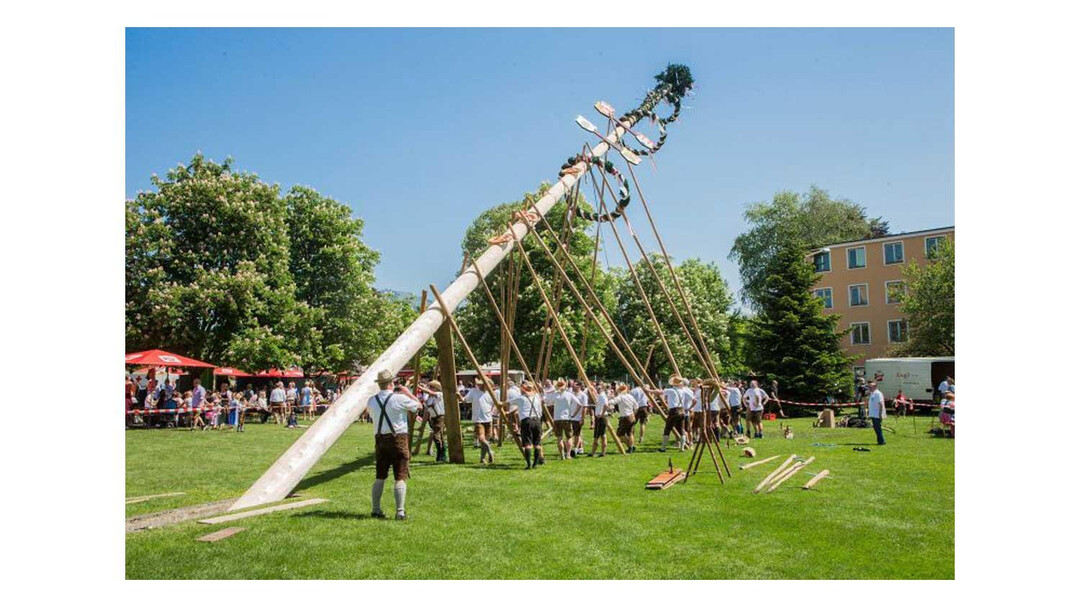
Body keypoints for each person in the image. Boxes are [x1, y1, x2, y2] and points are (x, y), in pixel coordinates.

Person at [367, 369, 422, 520]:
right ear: (392, 383)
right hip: (399, 439)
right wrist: (407, 392)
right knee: (400, 476)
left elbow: (372, 415)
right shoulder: (399, 398)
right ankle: (400, 512)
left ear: (379, 384)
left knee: (380, 476)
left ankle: (376, 509)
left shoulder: (371, 400)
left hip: (380, 440)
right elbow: (419, 406)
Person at [508, 381, 545, 469]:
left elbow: (507, 403)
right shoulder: (537, 397)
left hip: (526, 421)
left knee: (527, 443)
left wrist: (500, 404)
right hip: (537, 420)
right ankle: (535, 464)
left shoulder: (520, 398)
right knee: (537, 443)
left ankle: (529, 465)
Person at [464, 381, 496, 464]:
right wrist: (459, 396)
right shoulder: (474, 391)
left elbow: (494, 403)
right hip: (478, 419)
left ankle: (482, 459)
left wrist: (492, 411)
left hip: (489, 419)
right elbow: (465, 400)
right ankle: (490, 451)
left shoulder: (491, 392)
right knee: (481, 438)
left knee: (485, 440)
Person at [417, 380, 447, 463]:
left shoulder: (439, 394)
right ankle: (441, 455)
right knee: (439, 436)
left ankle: (441, 454)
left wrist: (421, 388)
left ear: (436, 388)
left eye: (431, 387)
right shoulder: (429, 398)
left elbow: (431, 393)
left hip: (440, 417)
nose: (430, 388)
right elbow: (427, 410)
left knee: (436, 436)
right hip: (433, 418)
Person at [655, 376, 686, 452]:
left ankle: (663, 448)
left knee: (667, 429)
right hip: (682, 410)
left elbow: (659, 392)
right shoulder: (682, 391)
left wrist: (648, 390)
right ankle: (682, 448)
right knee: (682, 429)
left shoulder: (671, 390)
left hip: (674, 411)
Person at [551, 379, 576, 459]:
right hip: (566, 418)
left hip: (557, 418)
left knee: (559, 437)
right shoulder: (569, 394)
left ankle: (562, 455)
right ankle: (568, 454)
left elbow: (546, 401)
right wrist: (574, 413)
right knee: (569, 437)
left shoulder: (555, 395)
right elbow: (579, 403)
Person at [588, 384, 613, 457]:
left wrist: (601, 414)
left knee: (598, 436)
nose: (597, 389)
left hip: (601, 418)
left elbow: (606, 405)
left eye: (599, 388)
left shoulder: (602, 396)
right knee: (602, 435)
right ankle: (600, 453)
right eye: (597, 388)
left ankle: (596, 453)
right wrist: (592, 390)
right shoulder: (600, 395)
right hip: (600, 417)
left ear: (602, 388)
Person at [612, 384, 638, 453]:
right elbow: (636, 406)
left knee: (620, 434)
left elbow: (613, 402)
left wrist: (605, 402)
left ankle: (630, 446)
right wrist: (633, 414)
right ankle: (631, 447)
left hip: (625, 417)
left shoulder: (620, 397)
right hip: (632, 416)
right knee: (630, 433)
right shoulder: (630, 396)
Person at [570, 382, 588, 456]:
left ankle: (575, 449)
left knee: (576, 434)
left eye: (575, 385)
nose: (573, 387)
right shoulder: (571, 394)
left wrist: (582, 418)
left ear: (579, 386)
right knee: (578, 433)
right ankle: (580, 448)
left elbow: (584, 407)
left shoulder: (583, 395)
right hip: (571, 417)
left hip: (578, 417)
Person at [867, 381, 887, 445]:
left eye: (870, 387)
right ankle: (880, 440)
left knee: (877, 428)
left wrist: (880, 414)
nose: (869, 388)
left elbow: (881, 404)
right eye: (869, 387)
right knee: (876, 428)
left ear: (875, 387)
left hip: (877, 414)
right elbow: (871, 404)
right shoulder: (872, 393)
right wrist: (869, 412)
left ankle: (882, 441)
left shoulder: (878, 393)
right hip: (873, 414)